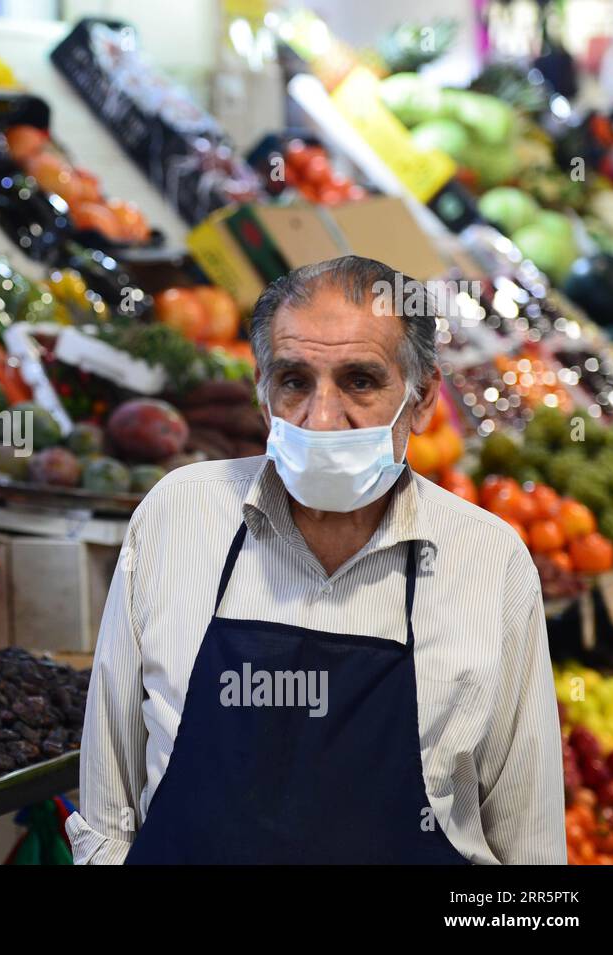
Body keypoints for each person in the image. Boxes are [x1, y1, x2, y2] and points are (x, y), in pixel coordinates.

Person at [67, 256, 565, 864]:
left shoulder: (488, 562)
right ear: (261, 391)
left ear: (423, 397)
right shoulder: (178, 518)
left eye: (359, 381)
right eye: (295, 381)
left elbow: (531, 848)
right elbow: (108, 805)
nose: (322, 419)